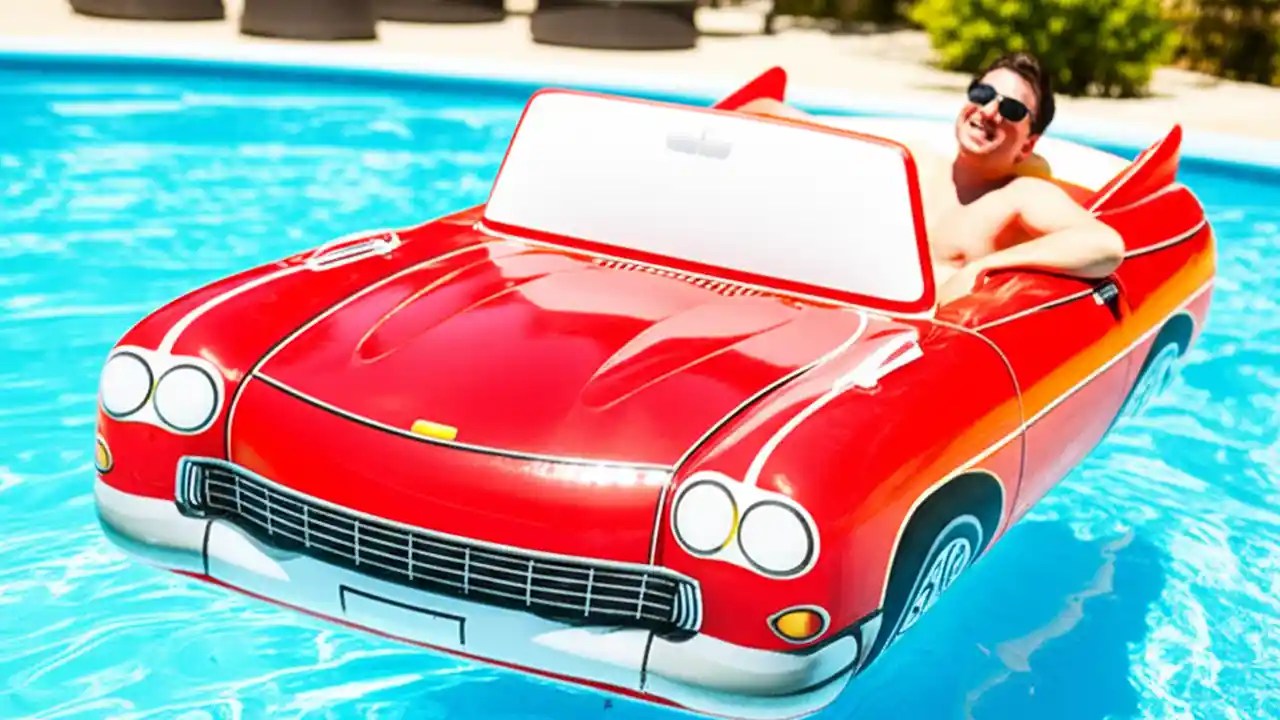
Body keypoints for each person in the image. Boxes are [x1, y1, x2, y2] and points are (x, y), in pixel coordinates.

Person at [737, 52, 1126, 307]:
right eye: (983, 92)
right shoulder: (912, 160)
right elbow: (794, 124)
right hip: (844, 318)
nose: (989, 110)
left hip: (914, 351)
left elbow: (1103, 245)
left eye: (1010, 108)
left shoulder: (1020, 196)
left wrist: (985, 267)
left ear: (1028, 144)